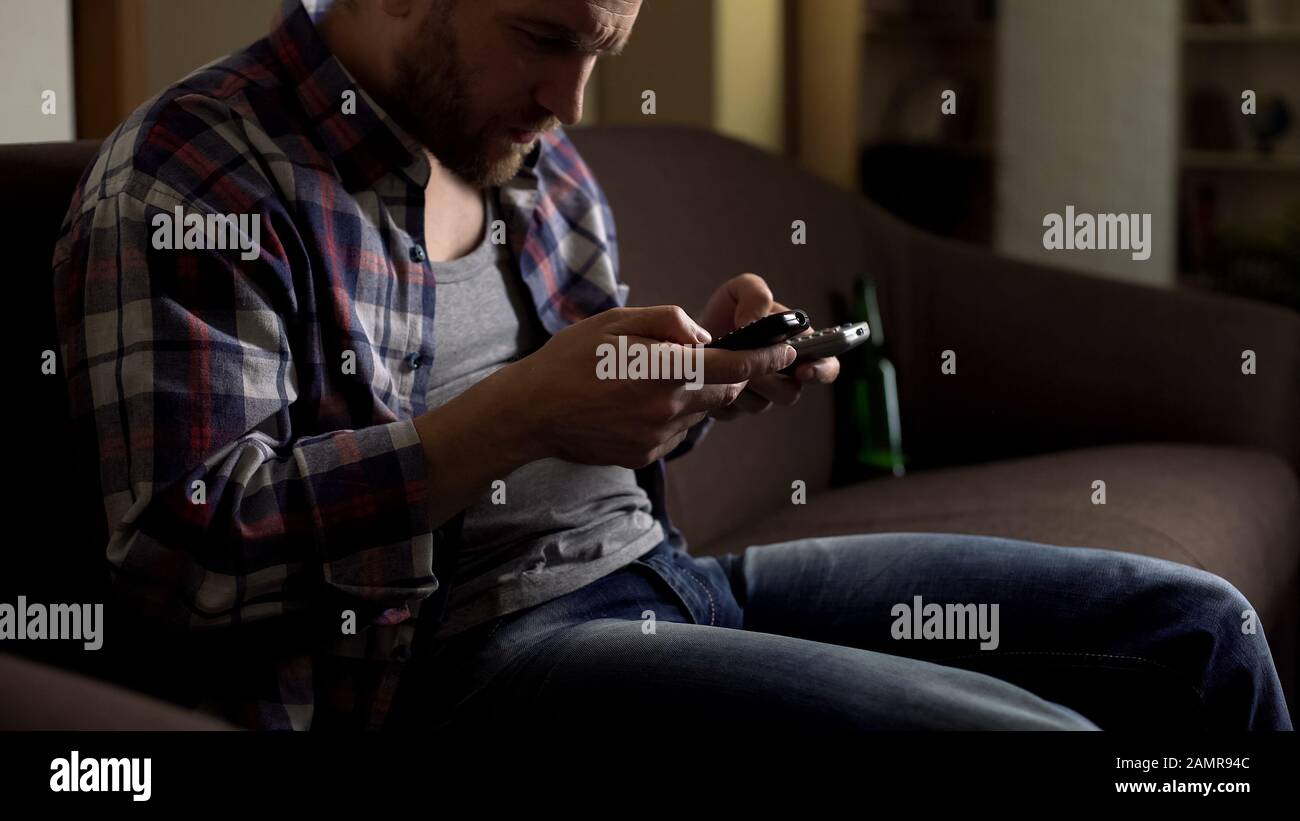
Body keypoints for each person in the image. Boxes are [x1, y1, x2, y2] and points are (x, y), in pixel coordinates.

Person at [53, 0, 1292, 733]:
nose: (570, 95)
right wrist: (516, 412)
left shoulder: (531, 158)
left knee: (1200, 633)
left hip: (674, 578)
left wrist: (697, 383)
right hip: (472, 660)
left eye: (604, 45)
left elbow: (595, 434)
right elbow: (189, 555)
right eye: (544, 37)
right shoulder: (195, 174)